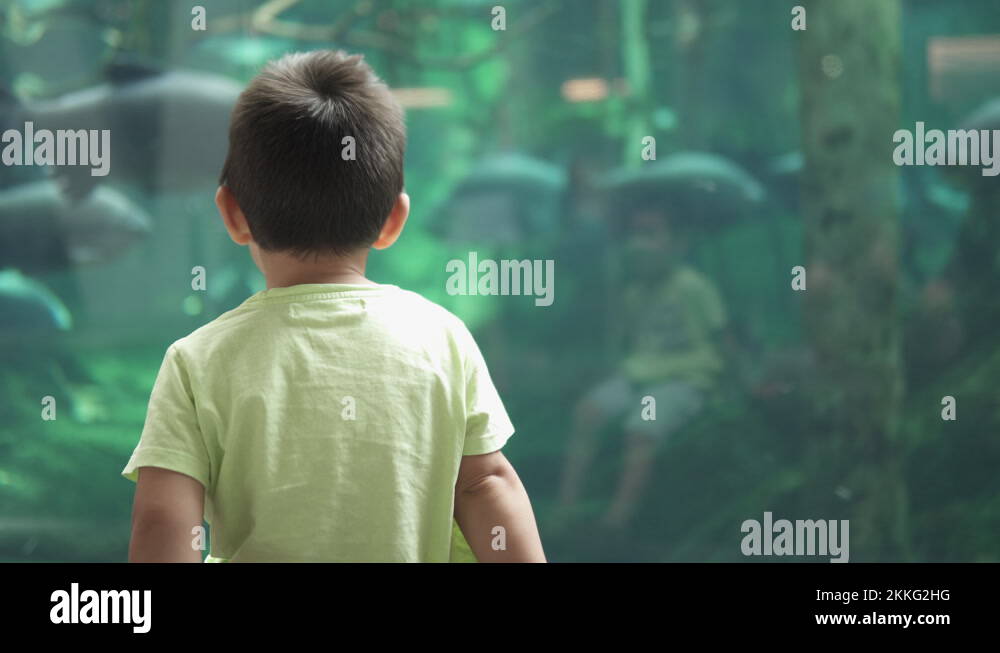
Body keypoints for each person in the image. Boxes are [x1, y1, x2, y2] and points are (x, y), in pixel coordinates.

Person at [121, 50, 545, 563]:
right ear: (393, 220)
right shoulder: (442, 337)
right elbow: (486, 485)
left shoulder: (196, 359)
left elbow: (163, 520)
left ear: (232, 214)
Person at [557, 204, 727, 531]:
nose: (639, 243)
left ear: (679, 243)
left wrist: (723, 383)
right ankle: (566, 508)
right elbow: (629, 343)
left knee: (640, 429)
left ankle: (616, 521)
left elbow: (720, 338)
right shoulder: (634, 292)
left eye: (650, 234)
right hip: (638, 375)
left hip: (684, 378)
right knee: (587, 411)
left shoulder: (694, 286)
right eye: (635, 235)